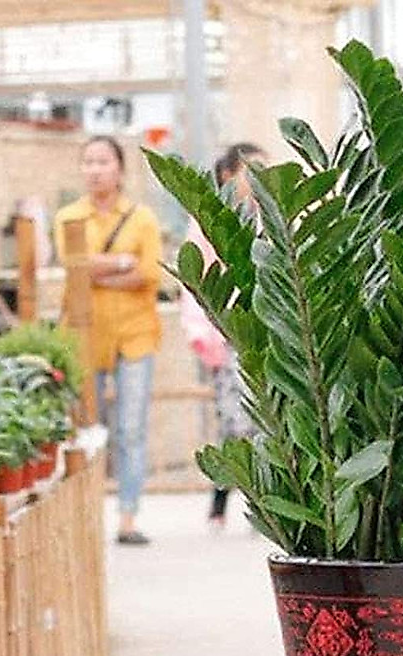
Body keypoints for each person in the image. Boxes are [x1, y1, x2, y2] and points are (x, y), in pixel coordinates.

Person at [55, 135, 162, 546]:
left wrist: (97, 273)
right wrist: (120, 263)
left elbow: (149, 273)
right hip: (85, 335)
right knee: (85, 426)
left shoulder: (142, 218)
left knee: (131, 427)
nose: (95, 169)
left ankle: (128, 517)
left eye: (103, 161)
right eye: (88, 161)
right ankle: (87, 513)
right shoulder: (69, 217)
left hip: (136, 333)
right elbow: (72, 265)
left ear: (120, 168)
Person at [180, 142, 265, 528]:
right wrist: (203, 333)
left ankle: (256, 501)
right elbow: (194, 279)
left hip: (266, 334)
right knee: (235, 419)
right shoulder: (208, 219)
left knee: (264, 419)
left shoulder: (272, 219)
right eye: (252, 170)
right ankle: (226, 496)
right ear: (229, 175)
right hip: (227, 334)